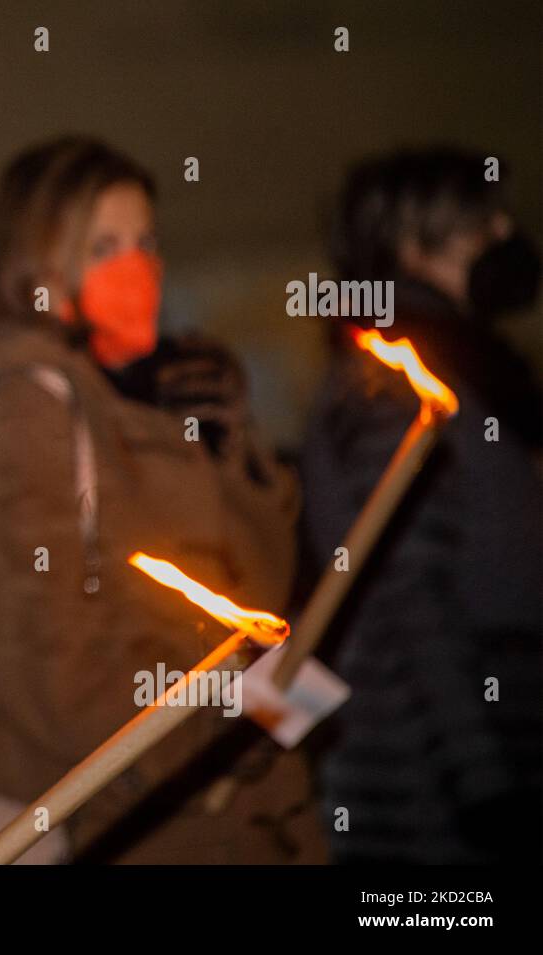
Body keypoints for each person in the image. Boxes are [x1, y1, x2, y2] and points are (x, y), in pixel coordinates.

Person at [0, 135, 325, 863]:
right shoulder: (25, 404)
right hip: (140, 825)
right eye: (103, 245)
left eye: (146, 240)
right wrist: (236, 729)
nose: (136, 266)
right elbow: (53, 668)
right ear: (32, 263)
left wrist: (226, 444)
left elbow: (253, 588)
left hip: (204, 805)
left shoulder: (123, 397)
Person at [302, 147, 542, 863]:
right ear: (412, 245)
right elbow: (407, 601)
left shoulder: (468, 373)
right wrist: (484, 786)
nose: (505, 235)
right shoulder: (395, 386)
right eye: (481, 222)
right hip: (433, 797)